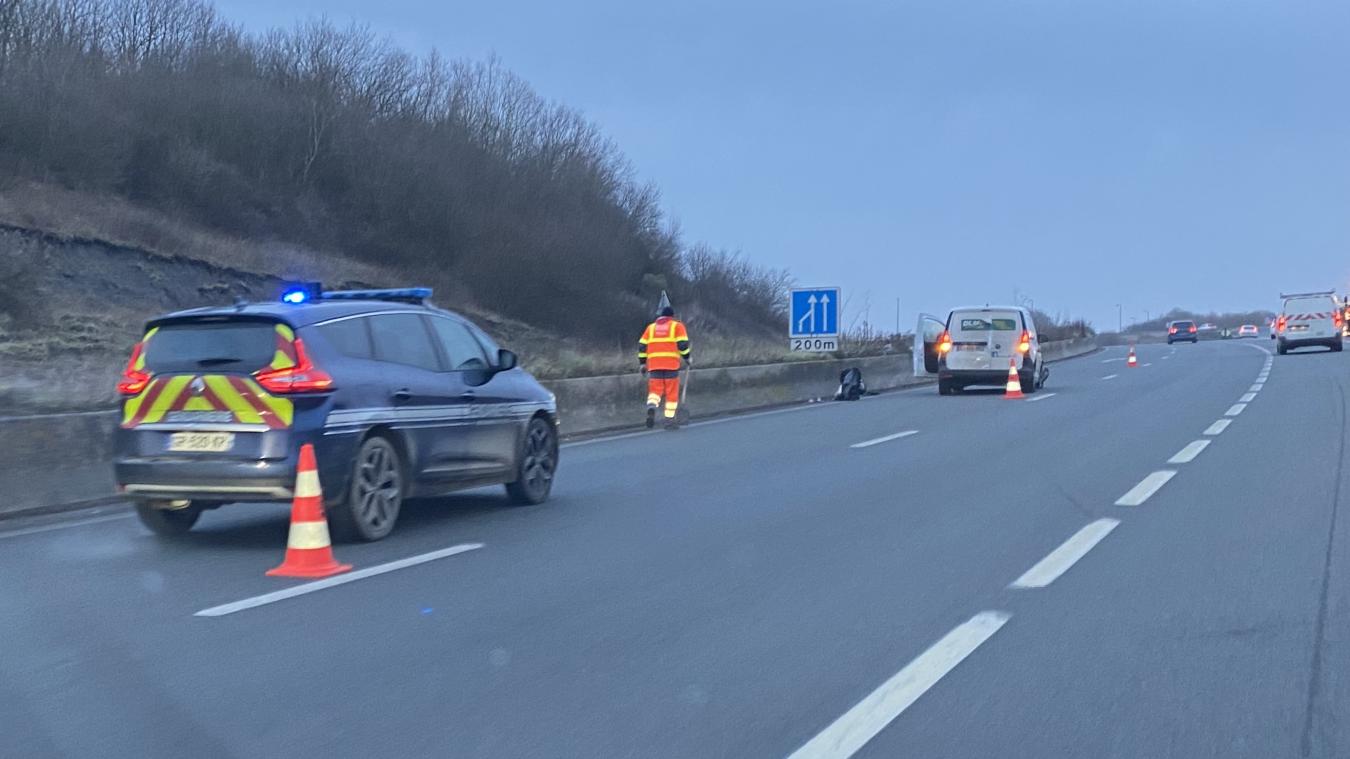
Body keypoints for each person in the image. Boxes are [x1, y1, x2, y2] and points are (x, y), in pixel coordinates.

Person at [638, 294, 691, 429]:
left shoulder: (651, 328)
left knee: (655, 392)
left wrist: (643, 364)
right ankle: (669, 420)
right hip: (671, 366)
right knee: (671, 394)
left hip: (654, 366)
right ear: (672, 316)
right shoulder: (677, 326)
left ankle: (651, 407)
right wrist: (687, 358)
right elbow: (683, 346)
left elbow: (642, 346)